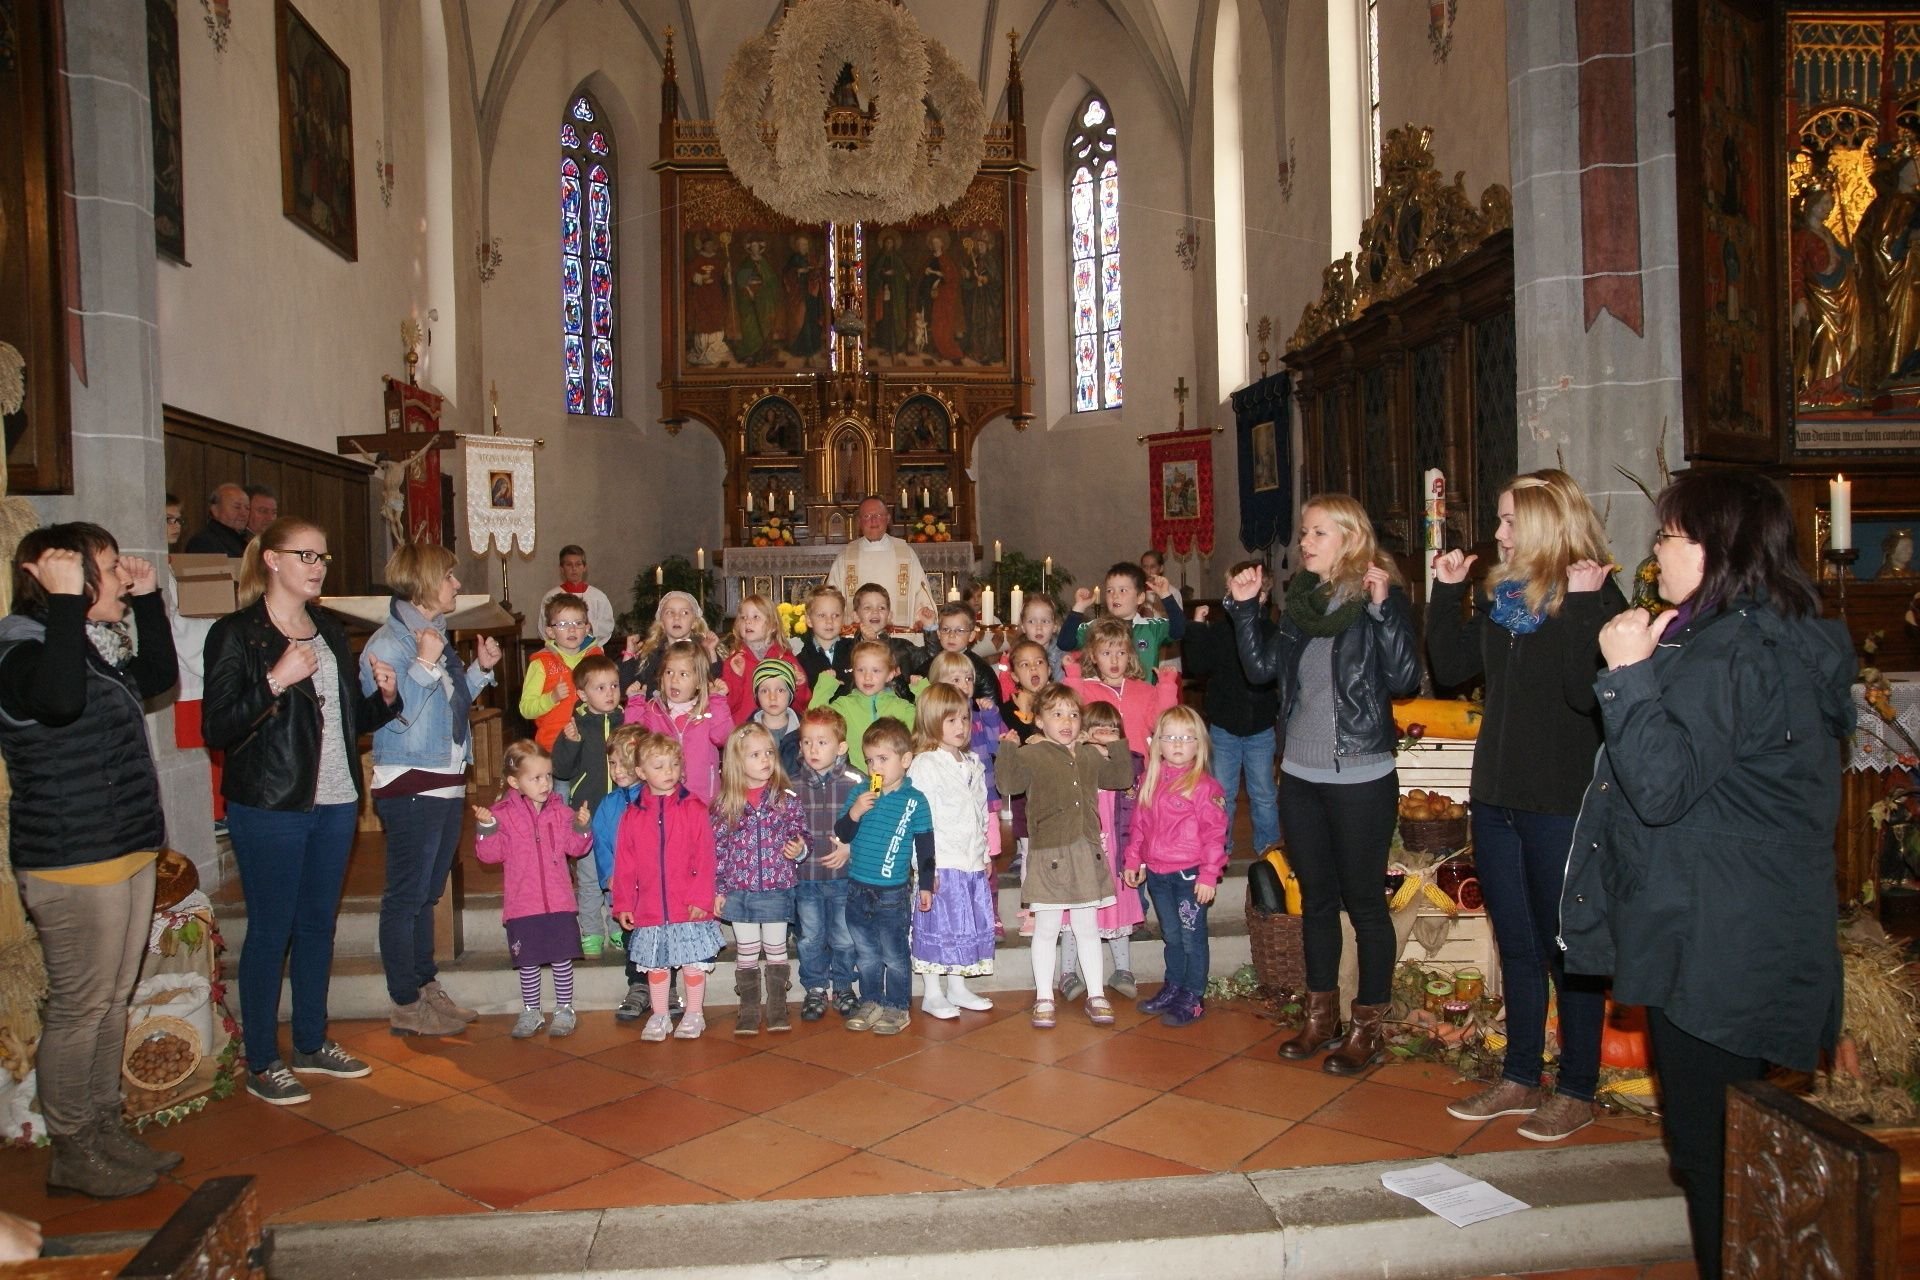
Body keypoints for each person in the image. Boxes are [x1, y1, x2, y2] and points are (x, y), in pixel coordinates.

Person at [1563, 468, 1852, 1277]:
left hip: (1718, 938)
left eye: (1669, 536)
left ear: (1718, 545)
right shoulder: (1758, 633)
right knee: (1731, 1148)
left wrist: (1627, 672)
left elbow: (1659, 787)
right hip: (1738, 922)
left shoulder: (1735, 650)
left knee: (1712, 1154)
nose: (1655, 553)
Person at [1426, 469, 1623, 1141]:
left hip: (1559, 800)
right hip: (1497, 796)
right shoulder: (1504, 595)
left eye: (1511, 521)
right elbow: (1451, 668)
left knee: (1567, 947)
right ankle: (1518, 1076)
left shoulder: (1594, 593)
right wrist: (1445, 589)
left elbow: (1580, 693)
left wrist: (1589, 607)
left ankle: (1576, 1088)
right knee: (1516, 941)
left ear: (1546, 525)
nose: (1500, 533)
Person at [0, 523, 179, 1197]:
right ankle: (72, 1147)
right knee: (81, 1005)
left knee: (111, 1002)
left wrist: (153, 599)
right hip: (72, 858)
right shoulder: (21, 651)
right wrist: (68, 603)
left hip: (122, 844)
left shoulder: (92, 647)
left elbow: (157, 678)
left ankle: (106, 1128)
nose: (121, 579)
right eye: (108, 569)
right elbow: (59, 700)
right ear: (58, 579)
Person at [203, 516, 400, 1106]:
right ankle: (262, 1058)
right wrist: (274, 681)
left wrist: (384, 701)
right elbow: (217, 726)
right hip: (271, 803)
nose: (316, 567)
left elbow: (347, 723)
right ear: (270, 560)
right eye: (305, 556)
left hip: (336, 800)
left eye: (322, 558)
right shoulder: (236, 634)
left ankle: (311, 1041)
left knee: (318, 924)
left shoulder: (329, 631)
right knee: (271, 929)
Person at [1226, 494, 1420, 1075]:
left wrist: (1385, 613)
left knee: (1364, 902)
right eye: (1304, 532)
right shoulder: (1303, 604)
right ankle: (1320, 1017)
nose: (1303, 542)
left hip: (1361, 772)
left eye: (1315, 533)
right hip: (1302, 775)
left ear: (1349, 539)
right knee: (1315, 902)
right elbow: (1262, 671)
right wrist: (1243, 613)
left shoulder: (1378, 600)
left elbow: (1405, 679)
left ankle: (1368, 1027)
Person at [360, 542, 501, 1037]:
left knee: (426, 894)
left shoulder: (432, 635)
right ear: (422, 582)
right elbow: (394, 718)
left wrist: (479, 670)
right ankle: (404, 1000)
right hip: (409, 782)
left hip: (444, 780)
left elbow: (445, 711)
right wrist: (421, 664)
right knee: (405, 896)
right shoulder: (388, 645)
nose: (457, 585)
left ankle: (425, 985)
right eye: (448, 576)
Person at [994, 683, 1134, 1030]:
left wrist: (1112, 742)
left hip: (1086, 851)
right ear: (1039, 721)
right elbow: (1009, 785)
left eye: (1073, 714)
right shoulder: (1032, 754)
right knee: (1046, 929)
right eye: (1056, 714)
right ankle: (1044, 996)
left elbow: (1121, 777)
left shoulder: (1089, 754)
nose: (1066, 721)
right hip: (1049, 854)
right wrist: (1009, 749)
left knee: (1088, 928)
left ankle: (1096, 993)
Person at [473, 740, 592, 1038]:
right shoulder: (503, 815)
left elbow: (577, 848)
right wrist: (487, 829)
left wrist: (580, 827)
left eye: (548, 776)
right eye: (536, 778)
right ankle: (531, 1010)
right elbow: (489, 855)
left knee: (562, 958)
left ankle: (564, 1008)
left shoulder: (560, 812)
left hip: (559, 901)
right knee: (528, 962)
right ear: (515, 781)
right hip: (523, 905)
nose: (545, 783)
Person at [610, 732, 724, 1041]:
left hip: (687, 904)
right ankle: (660, 1015)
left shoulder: (694, 808)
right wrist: (623, 903)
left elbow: (706, 855)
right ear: (641, 772)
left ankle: (694, 1014)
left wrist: (702, 896)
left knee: (692, 963)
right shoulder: (633, 815)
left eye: (674, 764)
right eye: (659, 766)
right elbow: (625, 864)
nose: (669, 772)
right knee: (656, 965)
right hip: (649, 906)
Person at [1124, 704, 1229, 1027]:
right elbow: (1140, 824)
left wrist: (1210, 874)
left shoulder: (1204, 787)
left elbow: (1215, 835)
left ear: (1199, 744)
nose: (1178, 744)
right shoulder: (1149, 780)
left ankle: (1194, 995)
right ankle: (1175, 985)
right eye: (1170, 737)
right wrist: (1134, 858)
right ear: (1157, 743)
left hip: (1190, 875)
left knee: (1191, 936)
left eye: (1186, 737)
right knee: (1171, 934)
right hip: (1158, 874)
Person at [834, 718, 935, 1035]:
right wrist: (855, 813)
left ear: (905, 760)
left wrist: (927, 885)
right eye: (870, 760)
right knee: (866, 954)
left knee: (893, 954)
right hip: (858, 888)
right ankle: (872, 1000)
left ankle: (897, 1006)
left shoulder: (915, 800)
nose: (875, 767)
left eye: (883, 759)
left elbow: (926, 846)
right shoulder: (861, 793)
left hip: (892, 893)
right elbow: (842, 833)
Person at [712, 723, 809, 1035]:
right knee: (747, 950)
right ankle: (750, 1008)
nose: (765, 759)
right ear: (738, 762)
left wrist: (800, 849)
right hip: (739, 890)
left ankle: (778, 1006)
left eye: (769, 752)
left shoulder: (786, 799)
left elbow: (802, 834)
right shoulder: (725, 804)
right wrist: (718, 889)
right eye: (755, 754)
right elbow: (717, 850)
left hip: (777, 888)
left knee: (777, 947)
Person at [907, 684, 997, 1019]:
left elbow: (978, 812)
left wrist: (984, 854)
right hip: (941, 862)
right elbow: (918, 821)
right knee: (938, 926)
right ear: (931, 722)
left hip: (969, 860)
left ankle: (958, 986)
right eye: (950, 721)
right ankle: (933, 992)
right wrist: (925, 871)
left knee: (963, 926)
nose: (960, 727)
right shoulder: (925, 765)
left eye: (963, 718)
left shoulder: (972, 761)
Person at [1183, 579, 1281, 859]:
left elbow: (1276, 674)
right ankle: (1219, 847)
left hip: (1260, 727)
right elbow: (1199, 665)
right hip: (1224, 727)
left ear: (1262, 596)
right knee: (1221, 793)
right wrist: (1198, 628)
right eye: (1232, 589)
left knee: (1263, 793)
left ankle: (1269, 850)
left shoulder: (1270, 632)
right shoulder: (1220, 631)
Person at [1058, 700, 1144, 1001]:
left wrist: (1137, 856)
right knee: (1074, 915)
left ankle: (1123, 969)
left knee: (1116, 911)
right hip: (1082, 856)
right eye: (1097, 727)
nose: (1105, 732)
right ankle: (1067, 972)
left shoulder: (1130, 763)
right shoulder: (1076, 761)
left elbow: (1139, 809)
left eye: (1112, 728)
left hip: (1115, 855)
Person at [791, 707, 863, 1021]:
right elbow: (786, 829)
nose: (813, 750)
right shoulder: (791, 785)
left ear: (841, 747)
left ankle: (844, 985)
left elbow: (875, 826)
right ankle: (815, 988)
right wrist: (793, 848)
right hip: (806, 877)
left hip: (845, 876)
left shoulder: (858, 781)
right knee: (810, 936)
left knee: (845, 935)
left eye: (822, 742)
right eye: (807, 742)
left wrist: (851, 848)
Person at [552, 654, 626, 956]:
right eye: (600, 688)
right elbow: (562, 770)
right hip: (587, 816)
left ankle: (621, 927)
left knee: (620, 876)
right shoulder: (577, 726)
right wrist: (570, 743)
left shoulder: (627, 721)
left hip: (623, 818)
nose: (610, 693)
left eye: (614, 685)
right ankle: (592, 930)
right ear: (582, 694)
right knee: (589, 878)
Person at [622, 639, 734, 803]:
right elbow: (632, 740)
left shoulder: (708, 710)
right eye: (669, 672)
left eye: (683, 674)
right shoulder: (653, 710)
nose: (674, 680)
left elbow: (723, 736)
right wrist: (635, 704)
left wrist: (718, 701)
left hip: (702, 800)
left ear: (698, 682)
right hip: (663, 799)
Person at [1064, 616, 1179, 756]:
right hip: (1098, 766)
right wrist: (1073, 675)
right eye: (1106, 653)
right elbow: (1070, 707)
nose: (1114, 660)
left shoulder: (1145, 690)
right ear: (1094, 657)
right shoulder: (1085, 689)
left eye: (1121, 653)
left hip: (1139, 766)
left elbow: (1162, 722)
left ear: (1129, 655)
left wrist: (1166, 686)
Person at [823, 498, 937, 632]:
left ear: (887, 519)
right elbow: (832, 597)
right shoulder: (846, 557)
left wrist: (922, 618)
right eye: (867, 516)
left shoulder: (905, 553)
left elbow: (921, 592)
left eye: (878, 515)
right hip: (856, 638)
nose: (873, 521)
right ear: (859, 521)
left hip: (900, 638)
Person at [1061, 562, 1186, 684]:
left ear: (1140, 598)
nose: (1115, 596)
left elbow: (1179, 630)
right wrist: (1079, 607)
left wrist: (1165, 595)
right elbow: (1065, 643)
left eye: (1123, 590)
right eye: (1110, 591)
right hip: (1106, 700)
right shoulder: (1096, 628)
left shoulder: (1152, 628)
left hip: (1144, 700)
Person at [813, 639, 917, 773]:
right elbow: (815, 723)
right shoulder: (844, 705)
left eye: (876, 670)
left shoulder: (902, 708)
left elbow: (929, 724)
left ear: (890, 674)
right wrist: (825, 687)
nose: (867, 677)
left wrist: (922, 692)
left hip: (895, 783)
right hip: (857, 782)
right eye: (861, 670)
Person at [520, 593, 603, 752]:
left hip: (592, 743)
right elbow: (526, 709)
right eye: (563, 624)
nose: (572, 629)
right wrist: (552, 698)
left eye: (578, 623)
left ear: (587, 628)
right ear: (550, 632)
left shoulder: (596, 659)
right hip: (554, 745)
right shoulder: (541, 664)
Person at [720, 594, 808, 728]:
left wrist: (800, 685)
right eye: (743, 617)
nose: (748, 622)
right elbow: (727, 707)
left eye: (756, 617)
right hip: (745, 733)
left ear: (772, 625)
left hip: (779, 732)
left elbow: (801, 706)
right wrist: (736, 678)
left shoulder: (786, 660)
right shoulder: (735, 662)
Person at [620, 590, 720, 701]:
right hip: (656, 713)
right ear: (662, 623)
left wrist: (710, 652)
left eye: (684, 612)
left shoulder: (701, 650)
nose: (676, 617)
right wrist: (629, 654)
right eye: (670, 612)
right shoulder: (651, 654)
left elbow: (715, 682)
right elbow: (627, 687)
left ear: (694, 623)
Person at [540, 545, 618, 649]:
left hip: (592, 652)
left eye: (578, 564)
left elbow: (608, 625)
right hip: (560, 653)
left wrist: (587, 626)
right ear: (561, 569)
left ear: (584, 567)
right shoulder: (551, 596)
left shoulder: (598, 596)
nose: (574, 569)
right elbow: (543, 629)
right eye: (569, 565)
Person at [748, 655, 804, 774]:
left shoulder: (804, 730)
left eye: (780, 690)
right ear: (756, 695)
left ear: (791, 694)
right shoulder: (746, 733)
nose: (772, 697)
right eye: (764, 691)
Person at [790, 584, 853, 689]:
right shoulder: (801, 661)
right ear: (809, 620)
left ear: (843, 619)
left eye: (836, 615)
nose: (829, 621)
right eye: (822, 615)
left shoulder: (855, 651)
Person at [183, 482, 251, 557]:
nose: (244, 513)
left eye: (247, 508)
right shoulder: (203, 542)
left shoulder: (242, 539)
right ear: (215, 510)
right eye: (237, 507)